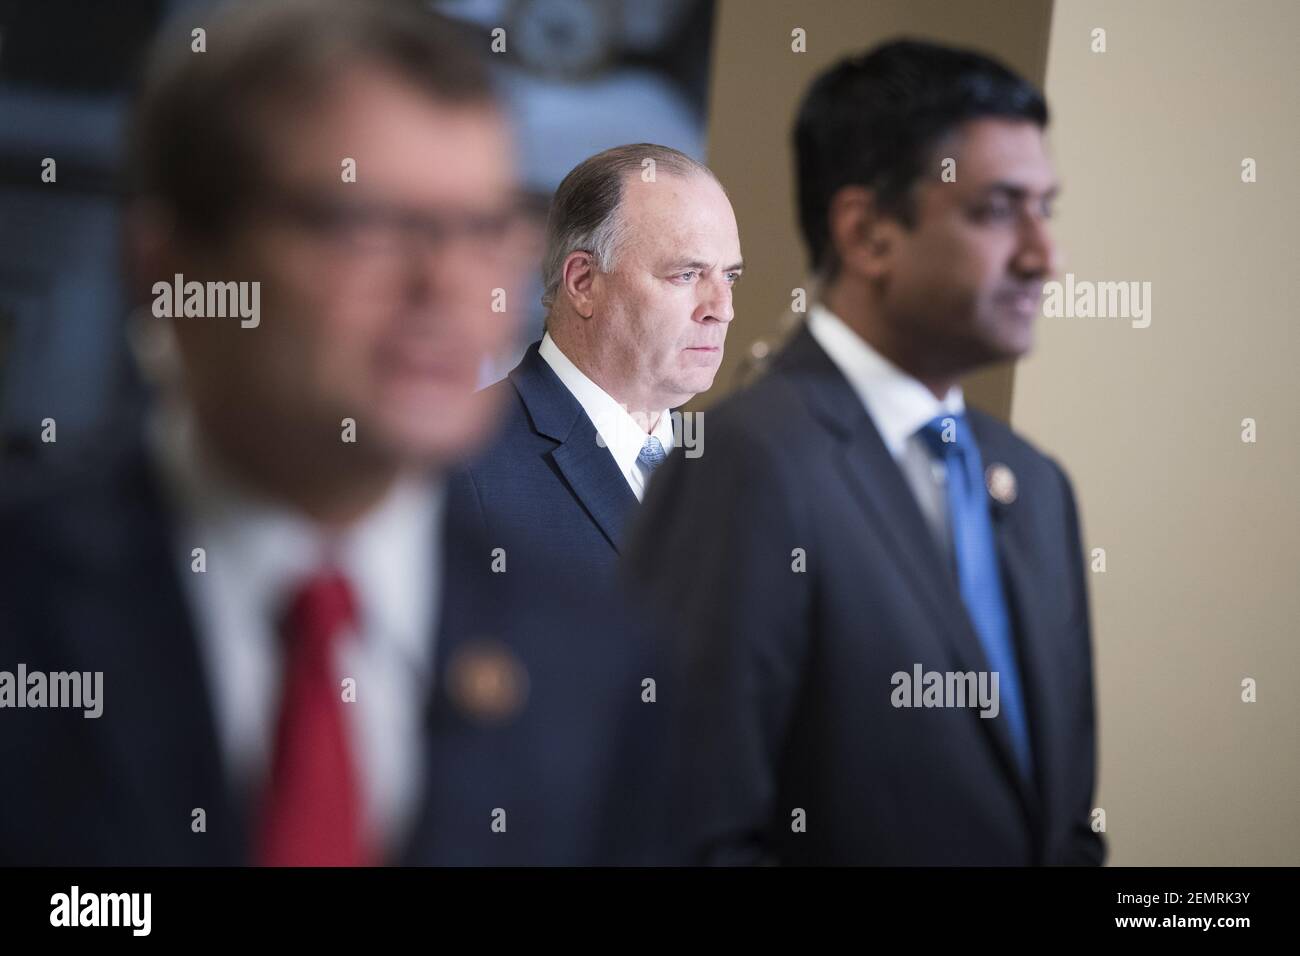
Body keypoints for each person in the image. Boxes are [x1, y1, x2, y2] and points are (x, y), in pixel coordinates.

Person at [0, 0, 664, 866]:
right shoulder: (27, 605)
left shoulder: (598, 653)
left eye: (483, 227)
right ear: (169, 265)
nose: (446, 285)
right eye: (365, 226)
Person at [628, 39, 1104, 865]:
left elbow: (1060, 830)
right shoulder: (741, 466)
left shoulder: (1035, 487)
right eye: (997, 210)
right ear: (868, 233)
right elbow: (680, 838)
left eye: (1045, 209)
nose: (1042, 255)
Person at [450, 144, 742, 581]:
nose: (722, 308)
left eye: (730, 276)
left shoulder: (734, 473)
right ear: (583, 282)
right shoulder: (468, 465)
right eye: (686, 275)